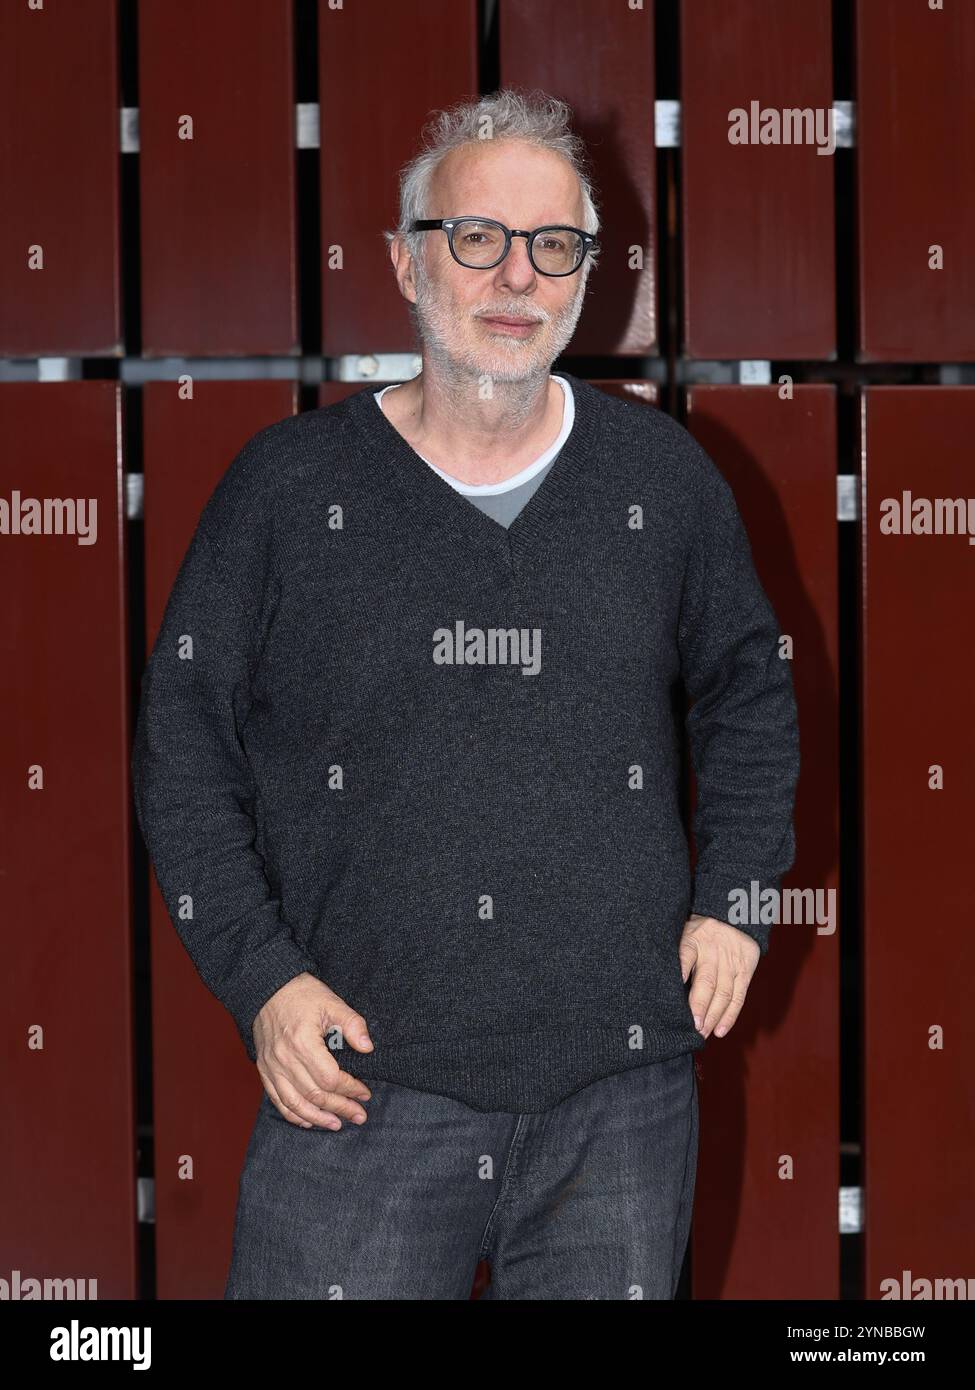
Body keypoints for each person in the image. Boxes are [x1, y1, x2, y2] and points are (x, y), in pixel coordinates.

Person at [132, 89, 799, 1300]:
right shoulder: (285, 493)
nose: (516, 276)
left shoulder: (667, 483)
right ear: (404, 259)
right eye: (475, 237)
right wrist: (263, 981)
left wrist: (739, 893)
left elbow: (752, 694)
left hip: (621, 1103)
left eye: (554, 246)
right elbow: (181, 741)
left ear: (588, 277)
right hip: (358, 1093)